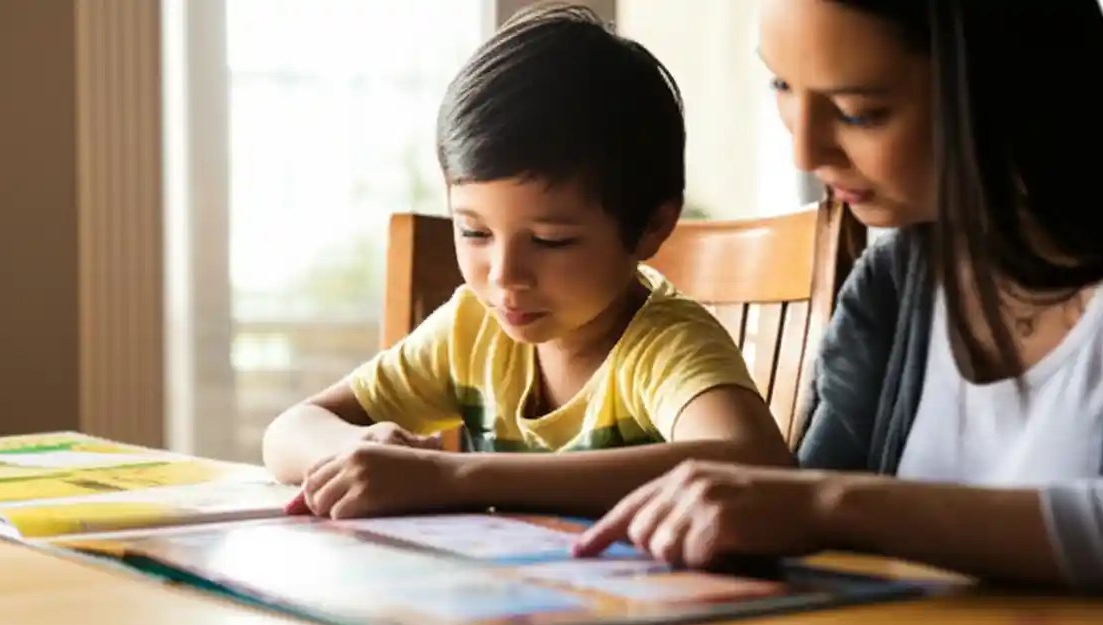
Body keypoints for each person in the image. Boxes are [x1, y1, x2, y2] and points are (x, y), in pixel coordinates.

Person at [576, 0, 1103, 599]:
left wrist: (836, 507)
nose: (806, 150)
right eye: (782, 86)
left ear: (1002, 84)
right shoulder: (893, 283)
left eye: (858, 112)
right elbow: (797, 521)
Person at [261, 4, 789, 520]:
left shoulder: (664, 345)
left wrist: (452, 478)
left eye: (550, 240)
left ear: (651, 227)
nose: (504, 276)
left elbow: (754, 465)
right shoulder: (470, 331)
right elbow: (289, 430)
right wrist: (355, 444)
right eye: (474, 232)